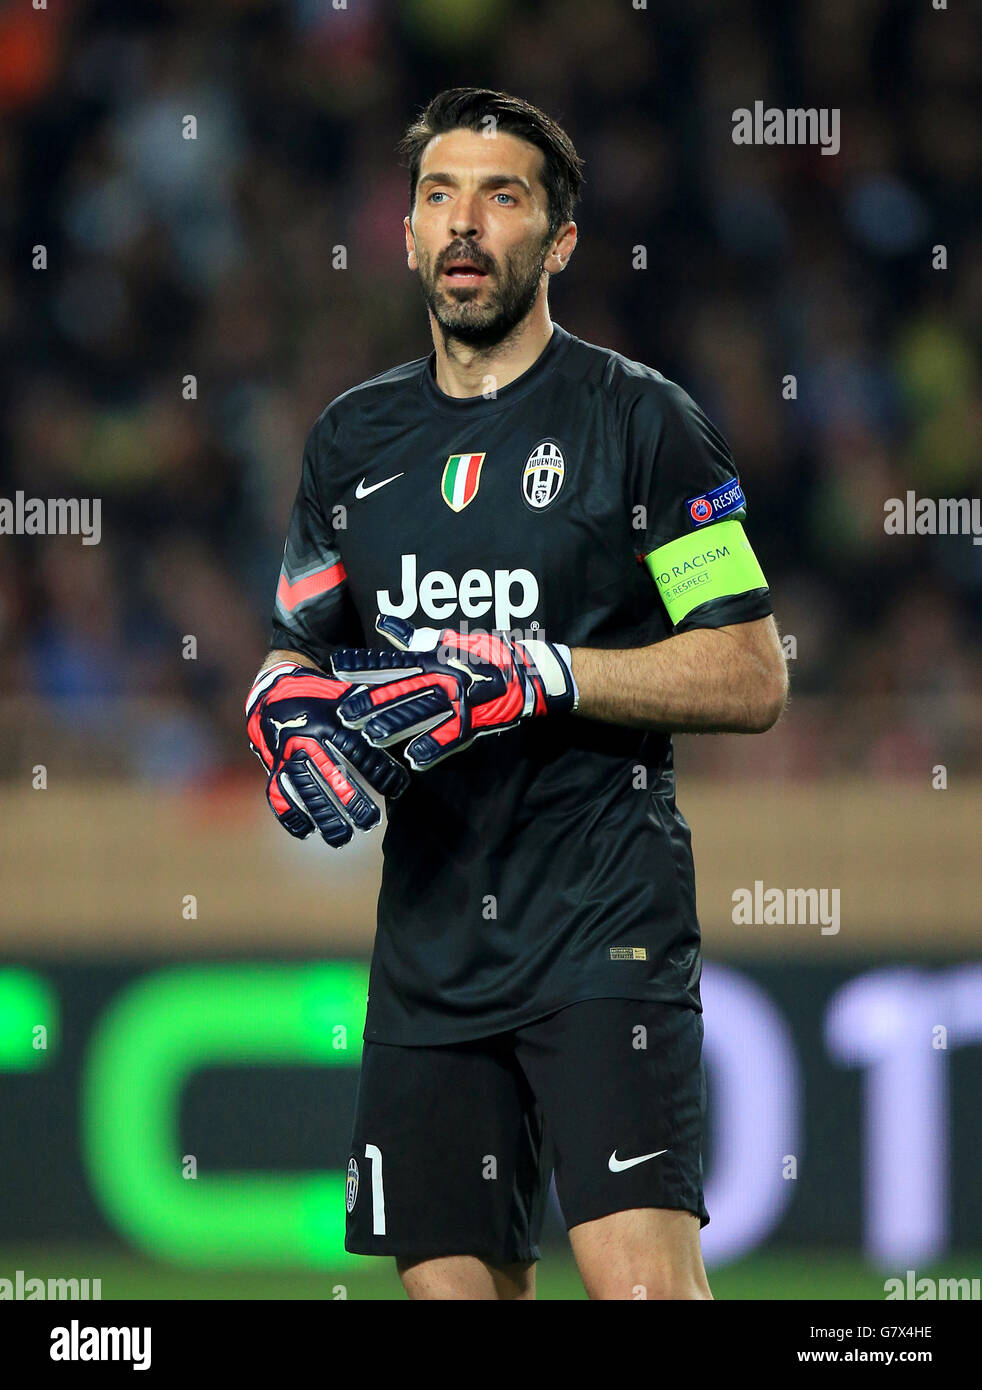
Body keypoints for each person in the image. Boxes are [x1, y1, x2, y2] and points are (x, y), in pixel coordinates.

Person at [245, 87, 788, 1300]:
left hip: (604, 922)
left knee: (643, 1290)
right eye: (439, 195)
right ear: (403, 233)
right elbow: (299, 643)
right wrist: (278, 703)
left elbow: (754, 670)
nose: (463, 224)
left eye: (502, 197)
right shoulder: (351, 440)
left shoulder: (645, 422)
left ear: (560, 240)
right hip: (430, 941)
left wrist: (545, 672)